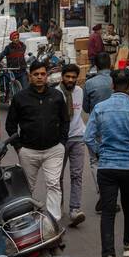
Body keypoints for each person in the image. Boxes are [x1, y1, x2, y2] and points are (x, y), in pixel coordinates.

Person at [85, 68, 129, 257]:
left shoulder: (99, 108)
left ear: (112, 86)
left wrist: (99, 152)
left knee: (107, 211)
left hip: (107, 167)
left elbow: (88, 138)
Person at [5, 60, 70, 226]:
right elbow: (10, 125)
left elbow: (65, 121)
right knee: (27, 187)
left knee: (54, 184)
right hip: (28, 151)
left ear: (47, 76)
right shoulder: (20, 98)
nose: (40, 77)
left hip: (54, 149)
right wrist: (19, 147)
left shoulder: (56, 96)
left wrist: (62, 142)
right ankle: (27, 221)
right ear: (30, 76)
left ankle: (53, 222)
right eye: (36, 74)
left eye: (42, 74)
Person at [81, 52, 114, 214]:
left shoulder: (89, 83)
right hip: (116, 126)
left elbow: (86, 108)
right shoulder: (117, 80)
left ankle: (103, 192)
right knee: (114, 159)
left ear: (96, 66)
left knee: (95, 161)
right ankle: (111, 195)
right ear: (110, 63)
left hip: (97, 126)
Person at [59, 62, 87, 228]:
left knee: (76, 175)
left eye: (73, 77)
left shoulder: (79, 91)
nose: (70, 80)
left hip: (78, 137)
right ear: (63, 77)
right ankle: (58, 209)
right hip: (60, 140)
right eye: (68, 77)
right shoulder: (55, 93)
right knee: (58, 178)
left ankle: (74, 210)